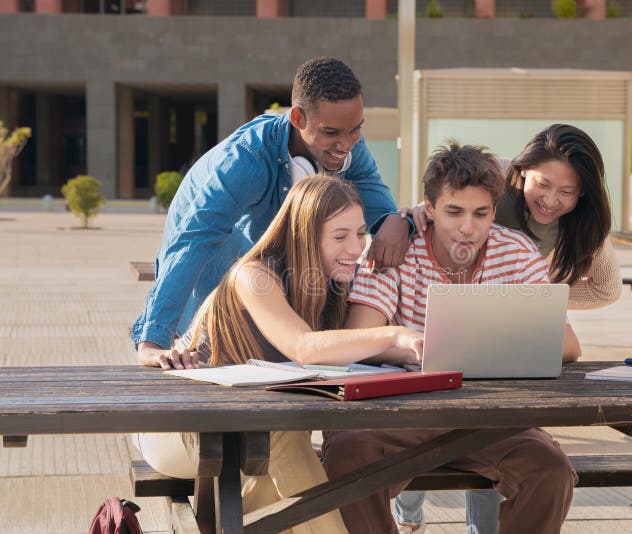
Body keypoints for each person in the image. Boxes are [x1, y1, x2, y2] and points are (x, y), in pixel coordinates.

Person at [136, 176, 424, 533]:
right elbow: (303, 346)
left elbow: (351, 349)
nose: (356, 247)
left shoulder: (332, 286)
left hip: (254, 436)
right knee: (282, 439)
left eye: (361, 233)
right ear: (304, 234)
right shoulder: (254, 276)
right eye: (340, 236)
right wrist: (394, 333)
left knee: (278, 483)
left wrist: (422, 350)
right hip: (186, 433)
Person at [321, 143, 579, 534]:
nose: (467, 227)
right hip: (403, 410)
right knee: (346, 455)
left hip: (490, 415)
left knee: (550, 469)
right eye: (453, 211)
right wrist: (413, 344)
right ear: (429, 207)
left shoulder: (518, 252)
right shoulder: (395, 251)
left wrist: (479, 347)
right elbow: (359, 336)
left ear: (494, 210)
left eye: (481, 213)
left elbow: (570, 345)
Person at [395, 124, 621, 533]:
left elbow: (606, 289)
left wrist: (533, 302)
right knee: (417, 425)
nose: (551, 200)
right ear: (521, 171)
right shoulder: (495, 174)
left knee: (492, 435)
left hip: (508, 316)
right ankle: (408, 516)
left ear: (584, 192)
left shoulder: (584, 224)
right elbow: (443, 201)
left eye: (567, 192)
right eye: (543, 184)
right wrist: (399, 221)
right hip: (450, 303)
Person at [133, 56, 412, 370]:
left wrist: (395, 220)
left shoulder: (351, 148)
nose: (347, 144)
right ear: (297, 118)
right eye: (332, 132)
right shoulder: (244, 161)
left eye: (355, 129)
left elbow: (379, 206)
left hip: (270, 275)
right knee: (214, 345)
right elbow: (192, 242)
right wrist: (152, 341)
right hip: (218, 252)